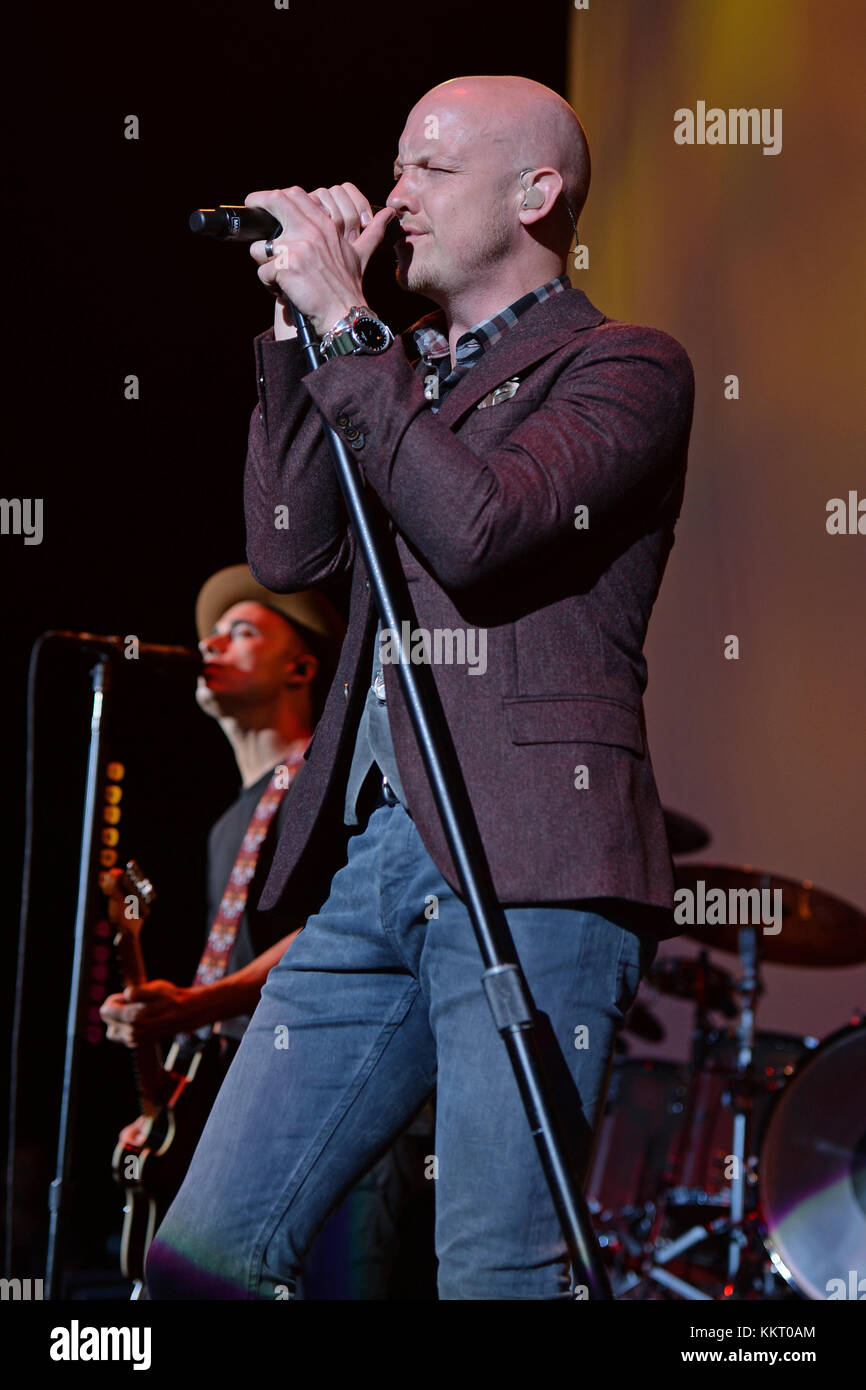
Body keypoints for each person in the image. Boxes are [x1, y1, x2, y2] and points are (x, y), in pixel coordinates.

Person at [146, 73, 694, 1301]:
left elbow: (480, 526)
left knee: (494, 1272)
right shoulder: (401, 374)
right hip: (380, 862)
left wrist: (347, 326)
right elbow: (290, 553)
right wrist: (296, 337)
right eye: (395, 166)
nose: (396, 196)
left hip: (534, 867)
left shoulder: (626, 369)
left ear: (535, 193)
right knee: (202, 1253)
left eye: (430, 169)